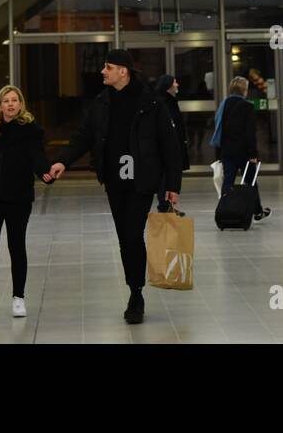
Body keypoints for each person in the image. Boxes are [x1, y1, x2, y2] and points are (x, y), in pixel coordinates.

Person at [45, 49, 182, 325]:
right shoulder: (101, 102)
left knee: (132, 234)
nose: (102, 71)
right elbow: (83, 136)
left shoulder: (151, 102)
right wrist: (62, 161)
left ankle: (136, 293)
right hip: (114, 180)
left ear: (123, 71)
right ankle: (135, 287)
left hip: (143, 180)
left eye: (108, 67)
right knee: (125, 237)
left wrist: (173, 184)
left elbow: (170, 145)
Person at [0, 85, 51, 321]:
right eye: (6, 101)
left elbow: (38, 157)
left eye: (15, 100)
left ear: (21, 104)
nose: (11, 104)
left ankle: (18, 298)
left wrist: (45, 172)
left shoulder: (31, 130)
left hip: (19, 199)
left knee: (17, 247)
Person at [212, 76, 269, 221]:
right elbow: (249, 133)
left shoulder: (224, 104)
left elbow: (219, 129)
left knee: (228, 182)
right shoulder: (247, 106)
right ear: (244, 90)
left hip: (227, 151)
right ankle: (257, 211)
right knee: (250, 181)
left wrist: (219, 153)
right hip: (244, 152)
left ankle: (224, 210)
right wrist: (253, 154)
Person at [153, 74, 190, 212]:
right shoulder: (163, 104)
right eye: (175, 82)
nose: (177, 85)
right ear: (168, 86)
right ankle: (164, 205)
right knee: (166, 177)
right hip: (167, 149)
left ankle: (169, 205)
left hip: (174, 146)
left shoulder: (170, 101)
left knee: (171, 176)